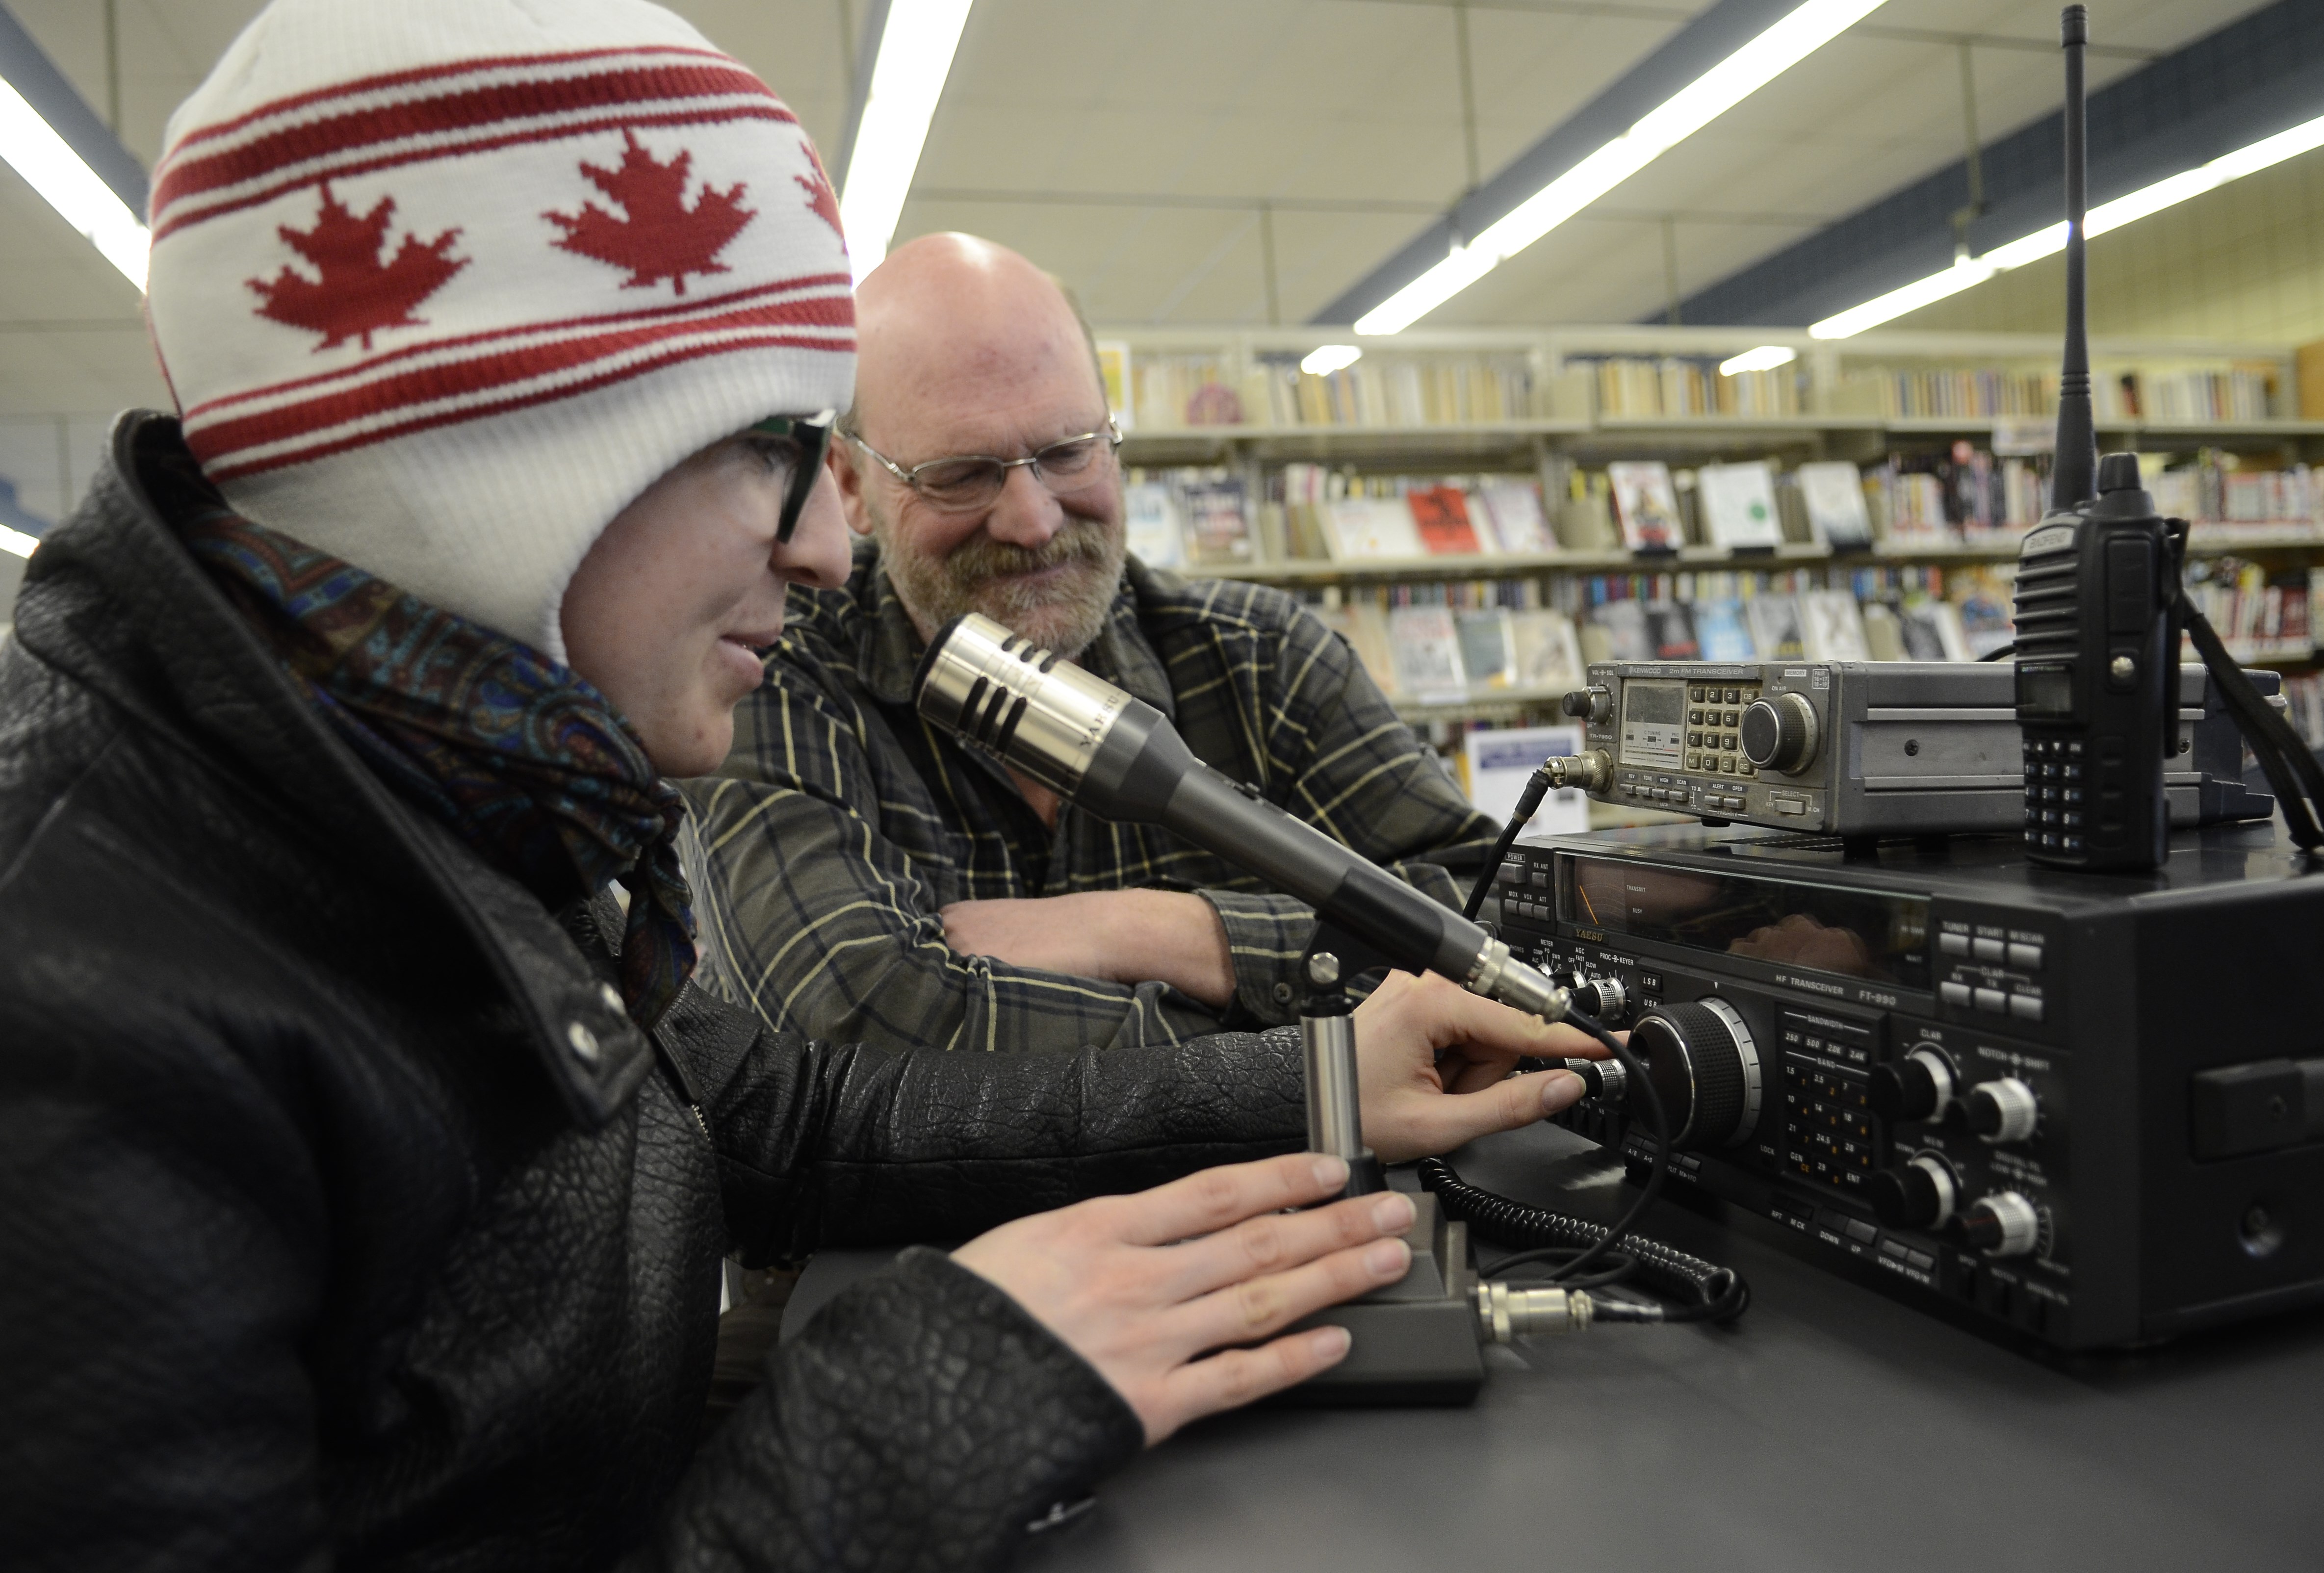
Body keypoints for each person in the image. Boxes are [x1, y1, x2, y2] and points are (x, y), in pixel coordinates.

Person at [0, 3, 1602, 1567]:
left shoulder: (468, 786)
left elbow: (783, 1109)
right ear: (499, 458)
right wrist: (913, 1405)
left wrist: (1310, 1078)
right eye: (770, 445)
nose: (830, 544)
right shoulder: (70, 1000)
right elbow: (847, 1020)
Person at [679, 232, 1495, 1054]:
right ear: (853, 486)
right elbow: (866, 1028)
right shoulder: (775, 663)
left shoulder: (1264, 660)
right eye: (961, 475)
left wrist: (1156, 932)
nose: (1032, 523)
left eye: (1068, 453)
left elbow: (1497, 924)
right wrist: (1336, 1056)